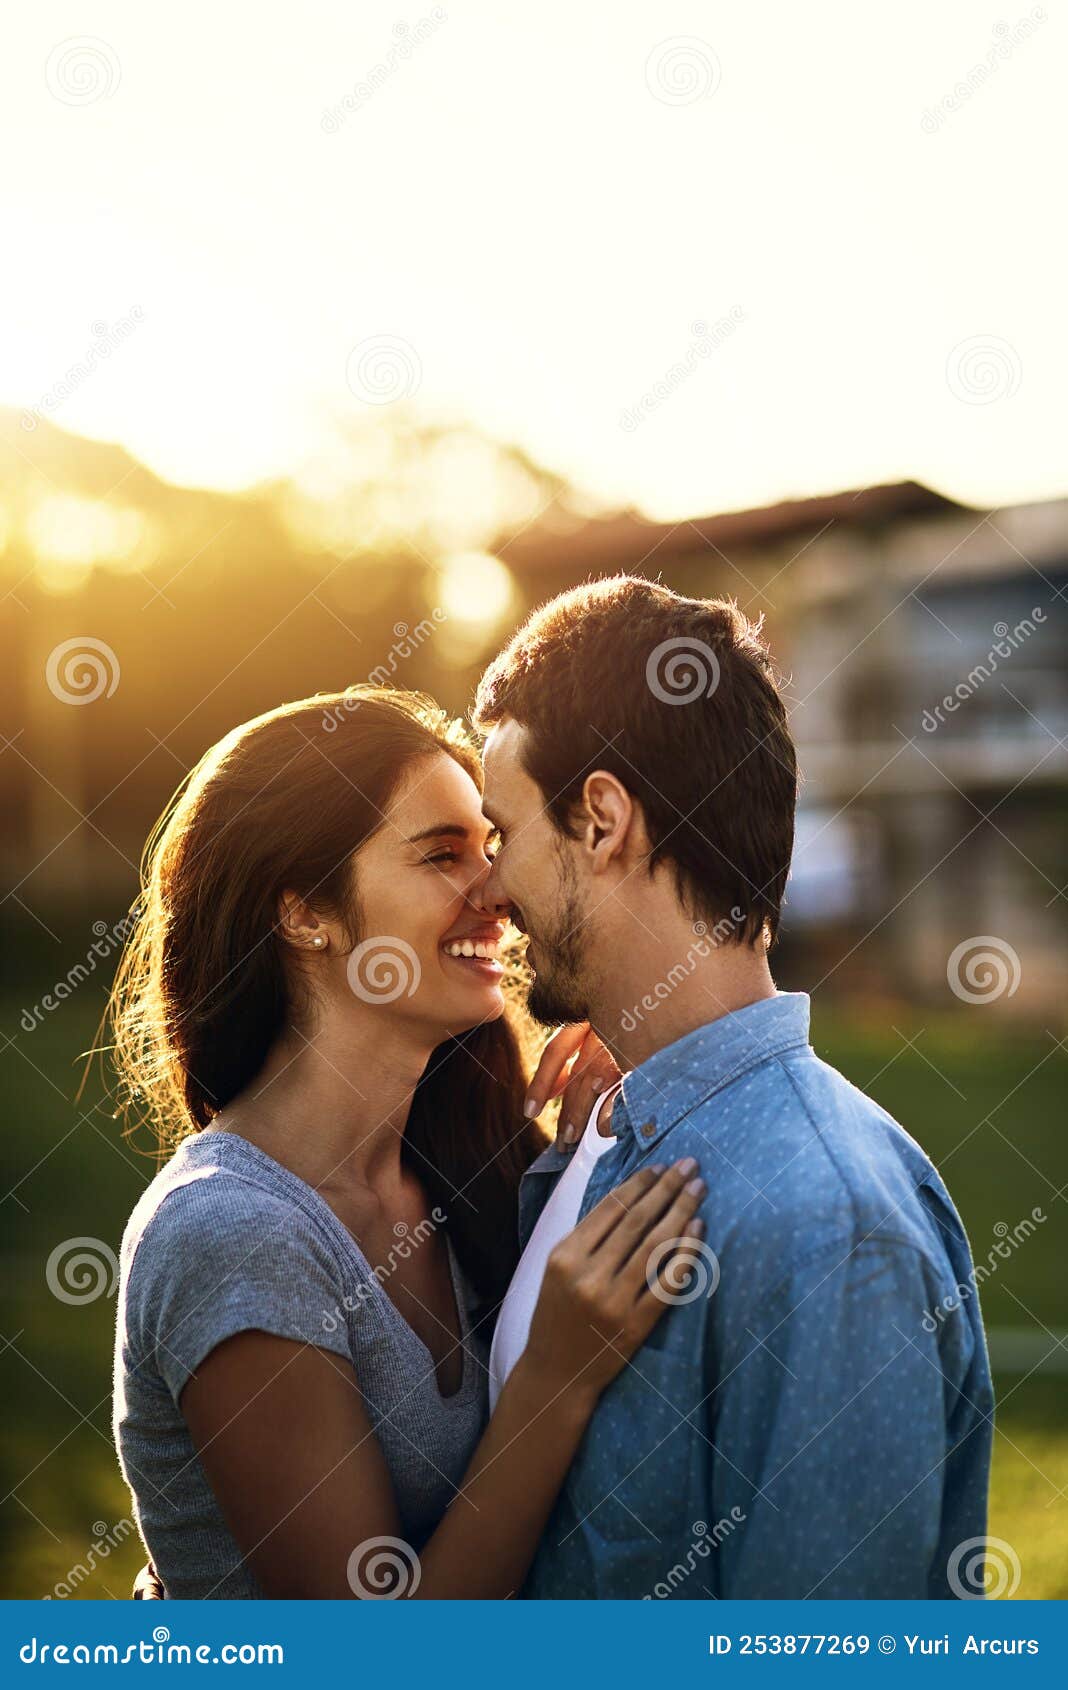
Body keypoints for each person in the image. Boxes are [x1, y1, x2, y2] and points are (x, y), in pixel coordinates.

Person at [111, 687, 706, 1599]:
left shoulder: (461, 1168)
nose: (498, 892)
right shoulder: (229, 1233)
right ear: (307, 911)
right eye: (441, 856)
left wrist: (599, 1108)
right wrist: (557, 1374)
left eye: (492, 849)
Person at [470, 575, 994, 1599]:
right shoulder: (604, 1130)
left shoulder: (828, 1218)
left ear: (602, 819)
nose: (489, 889)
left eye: (504, 834)